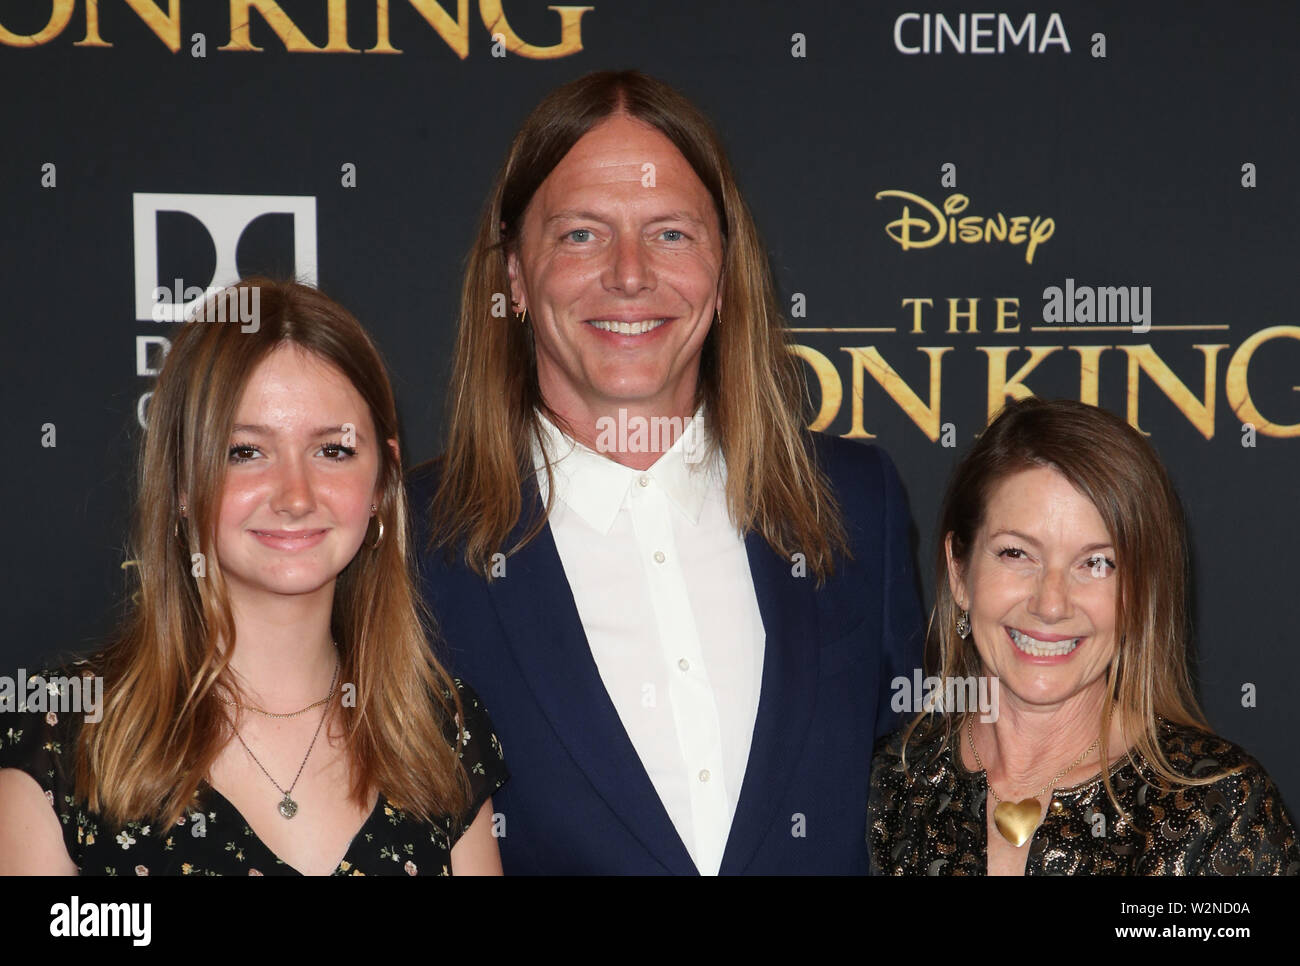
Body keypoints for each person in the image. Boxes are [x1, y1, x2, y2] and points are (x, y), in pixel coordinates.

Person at [409, 70, 924, 874]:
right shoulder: (411, 545)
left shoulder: (857, 504)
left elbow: (928, 814)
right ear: (513, 273)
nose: (629, 274)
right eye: (581, 233)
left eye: (671, 234)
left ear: (724, 268)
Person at [0, 279, 507, 876]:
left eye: (333, 450)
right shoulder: (66, 740)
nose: (296, 496)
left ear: (383, 483)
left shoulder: (440, 733)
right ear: (183, 484)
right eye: (246, 451)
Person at [869, 397, 1300, 875]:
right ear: (959, 574)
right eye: (1016, 554)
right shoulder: (887, 784)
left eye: (1096, 563)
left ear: (1141, 594)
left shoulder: (1221, 811)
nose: (1051, 604)